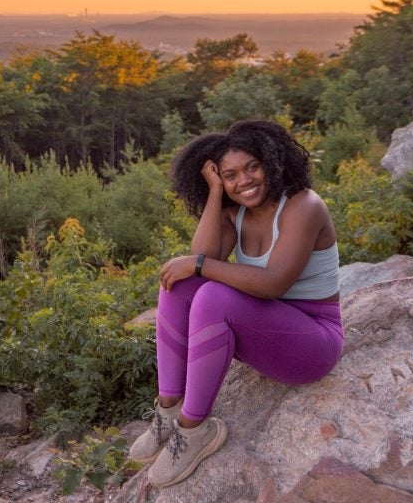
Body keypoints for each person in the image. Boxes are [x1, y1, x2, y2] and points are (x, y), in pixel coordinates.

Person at [130, 119, 343, 488]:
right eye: (230, 175)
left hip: (313, 341)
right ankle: (169, 411)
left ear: (270, 162)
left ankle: (195, 430)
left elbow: (273, 283)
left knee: (209, 289)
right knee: (177, 286)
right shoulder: (236, 210)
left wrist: (198, 265)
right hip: (269, 330)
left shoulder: (303, 206)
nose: (243, 181)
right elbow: (201, 259)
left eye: (252, 167)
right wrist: (214, 193)